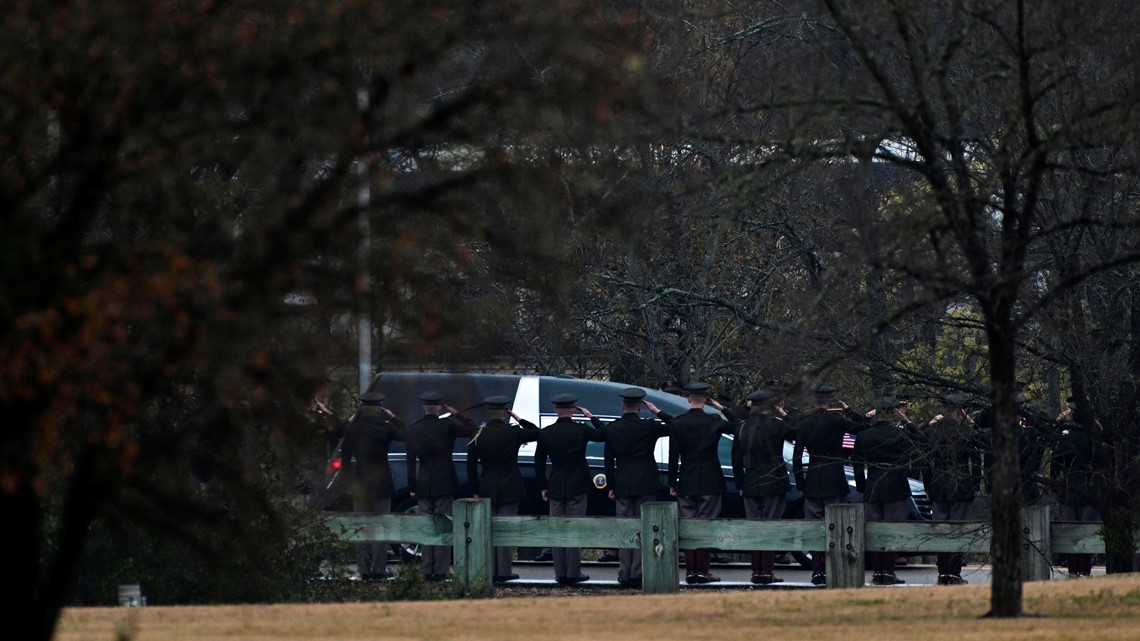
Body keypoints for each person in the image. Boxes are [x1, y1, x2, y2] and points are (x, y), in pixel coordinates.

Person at [596, 387, 674, 588]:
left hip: (622, 481)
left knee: (624, 528)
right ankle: (638, 573)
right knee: (644, 529)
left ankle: (624, 572)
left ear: (623, 406)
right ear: (640, 407)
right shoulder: (649, 427)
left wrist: (610, 485)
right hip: (646, 480)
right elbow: (675, 425)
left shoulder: (613, 428)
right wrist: (658, 411)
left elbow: (608, 460)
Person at [792, 384, 866, 585]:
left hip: (813, 478)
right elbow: (863, 425)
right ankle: (835, 569)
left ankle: (817, 571)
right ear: (831, 401)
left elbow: (797, 456)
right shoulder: (837, 421)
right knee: (837, 527)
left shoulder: (804, 423)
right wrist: (849, 410)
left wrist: (800, 482)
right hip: (834, 475)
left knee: (814, 527)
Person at [533, 393, 606, 585]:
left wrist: (543, 486)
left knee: (557, 529)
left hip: (556, 484)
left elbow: (538, 462)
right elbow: (603, 434)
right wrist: (592, 417)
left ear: (556, 410)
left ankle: (560, 572)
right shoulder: (580, 430)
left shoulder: (546, 432)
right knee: (575, 528)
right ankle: (573, 572)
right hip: (578, 484)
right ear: (573, 410)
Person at [405, 390, 477, 581]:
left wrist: (412, 485)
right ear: (439, 408)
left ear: (424, 407)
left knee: (427, 528)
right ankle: (441, 570)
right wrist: (457, 413)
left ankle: (427, 569)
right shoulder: (448, 425)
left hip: (423, 481)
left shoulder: (414, 428)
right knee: (443, 527)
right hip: (445, 480)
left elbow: (410, 461)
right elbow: (474, 429)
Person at [466, 395, 540, 583]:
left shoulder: (478, 433)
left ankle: (489, 571)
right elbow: (536, 432)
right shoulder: (513, 432)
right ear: (505, 412)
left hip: (487, 485)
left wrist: (475, 489)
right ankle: (504, 571)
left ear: (488, 413)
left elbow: (471, 465)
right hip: (510, 485)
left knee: (488, 530)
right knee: (505, 530)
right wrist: (519, 419)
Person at [667, 381, 735, 584]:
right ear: (705, 399)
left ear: (688, 399)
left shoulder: (678, 423)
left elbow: (673, 456)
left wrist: (672, 482)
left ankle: (691, 571)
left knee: (688, 527)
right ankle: (703, 571)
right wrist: (722, 408)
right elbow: (738, 424)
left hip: (687, 479)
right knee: (706, 526)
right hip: (710, 479)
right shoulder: (713, 420)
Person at [852, 396, 921, 586]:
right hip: (896, 484)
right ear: (893, 413)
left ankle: (878, 573)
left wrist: (861, 487)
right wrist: (907, 422)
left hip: (873, 483)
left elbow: (857, 464)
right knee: (893, 530)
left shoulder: (865, 435)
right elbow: (922, 441)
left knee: (874, 531)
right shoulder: (900, 434)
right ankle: (889, 573)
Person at [341, 390, 406, 581]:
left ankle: (363, 569)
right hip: (382, 484)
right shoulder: (385, 427)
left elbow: (345, 459)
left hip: (361, 485)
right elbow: (406, 435)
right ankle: (379, 568)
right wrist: (394, 418)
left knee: (361, 528)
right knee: (381, 527)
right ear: (379, 408)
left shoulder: (353, 429)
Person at [731, 389, 794, 584]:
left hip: (750, 480)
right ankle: (767, 572)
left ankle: (756, 571)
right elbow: (798, 432)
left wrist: (740, 483)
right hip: (774, 479)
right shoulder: (777, 426)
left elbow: (736, 459)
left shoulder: (742, 427)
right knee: (770, 527)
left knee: (754, 528)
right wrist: (784, 414)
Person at [922, 393, 984, 585]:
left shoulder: (932, 432)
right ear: (960, 411)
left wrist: (928, 486)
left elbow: (925, 462)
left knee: (941, 530)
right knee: (959, 530)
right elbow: (976, 460)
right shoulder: (966, 432)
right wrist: (974, 484)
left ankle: (943, 573)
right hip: (962, 484)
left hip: (939, 486)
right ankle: (954, 574)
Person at [1052, 398, 1102, 577]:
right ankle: (1085, 573)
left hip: (1068, 489)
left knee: (1070, 533)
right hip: (1090, 490)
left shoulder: (1064, 435)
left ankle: (1073, 573)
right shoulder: (1095, 434)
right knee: (1087, 534)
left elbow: (1055, 462)